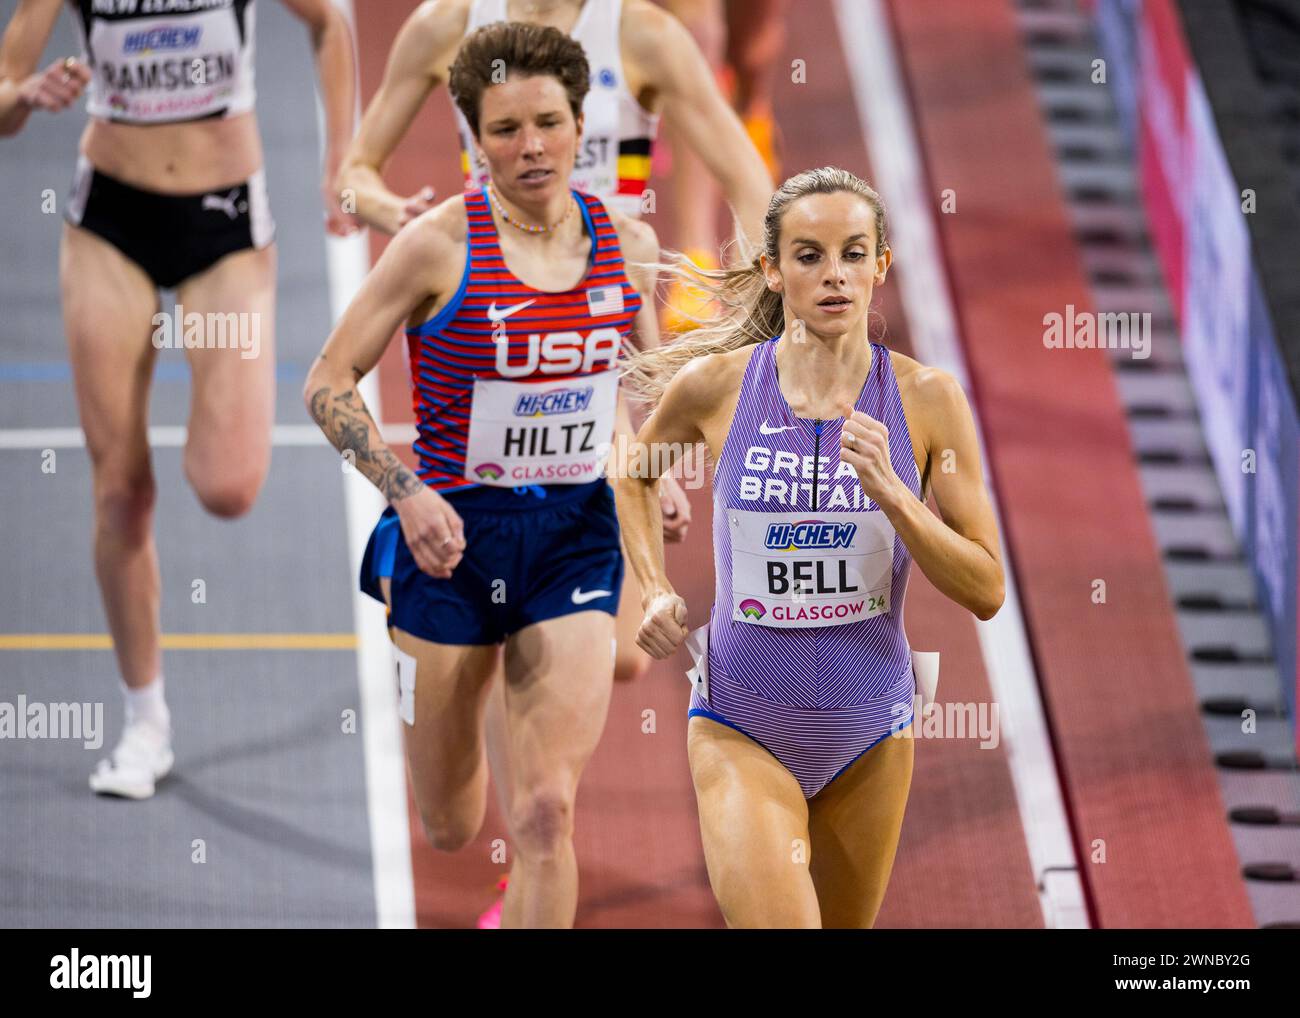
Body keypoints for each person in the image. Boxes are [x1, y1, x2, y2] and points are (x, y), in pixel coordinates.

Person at [304, 21, 660, 928]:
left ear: (583, 123)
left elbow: (642, 389)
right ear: (474, 139)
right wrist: (405, 492)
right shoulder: (435, 245)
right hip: (444, 547)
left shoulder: (622, 240)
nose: (531, 146)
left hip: (571, 541)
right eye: (505, 129)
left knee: (545, 812)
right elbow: (326, 381)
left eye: (548, 121)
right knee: (453, 825)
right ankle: (428, 652)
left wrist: (660, 473)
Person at [614, 166, 1006, 928]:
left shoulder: (927, 402)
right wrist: (652, 585)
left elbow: (986, 590)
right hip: (740, 721)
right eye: (809, 256)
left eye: (854, 254)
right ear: (771, 269)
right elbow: (632, 475)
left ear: (881, 266)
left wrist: (896, 495)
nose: (835, 276)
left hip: (873, 732)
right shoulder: (716, 387)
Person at [0, 0, 356, 799]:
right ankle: (146, 721)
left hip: (222, 227)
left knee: (228, 485)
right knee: (121, 492)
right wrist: (26, 97)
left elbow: (331, 21)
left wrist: (340, 163)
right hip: (109, 226)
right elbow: (3, 98)